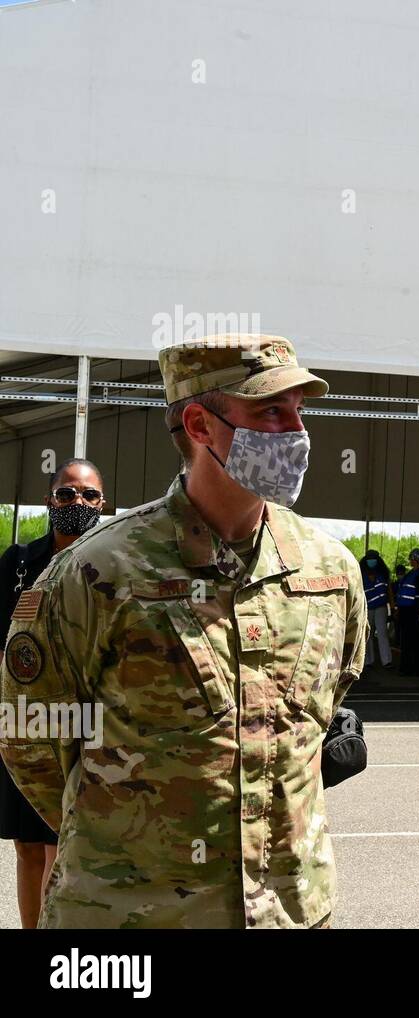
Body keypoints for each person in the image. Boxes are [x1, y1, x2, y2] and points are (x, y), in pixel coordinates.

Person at [0, 334, 367, 928]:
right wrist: (127, 844)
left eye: (299, 410)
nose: (295, 433)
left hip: (289, 911)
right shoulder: (98, 572)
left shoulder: (329, 570)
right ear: (200, 423)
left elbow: (319, 714)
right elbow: (33, 736)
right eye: (270, 411)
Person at [0, 458, 104, 928]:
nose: (76, 503)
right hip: (24, 723)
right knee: (28, 845)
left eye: (87, 495)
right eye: (66, 493)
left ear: (103, 504)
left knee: (61, 842)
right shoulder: (19, 563)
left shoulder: (113, 562)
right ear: (50, 499)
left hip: (88, 724)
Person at [395, 548, 419, 675]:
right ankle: (407, 667)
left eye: (411, 558)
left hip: (415, 610)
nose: (410, 560)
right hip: (407, 610)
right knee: (407, 639)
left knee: (416, 640)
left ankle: (418, 668)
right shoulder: (412, 573)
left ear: (415, 559)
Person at [360, 548, 393, 669]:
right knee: (367, 635)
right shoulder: (361, 574)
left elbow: (389, 590)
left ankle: (387, 661)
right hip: (367, 608)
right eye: (369, 559)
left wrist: (392, 606)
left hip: (381, 607)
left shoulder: (383, 574)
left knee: (382, 633)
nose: (371, 562)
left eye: (373, 559)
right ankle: (368, 661)